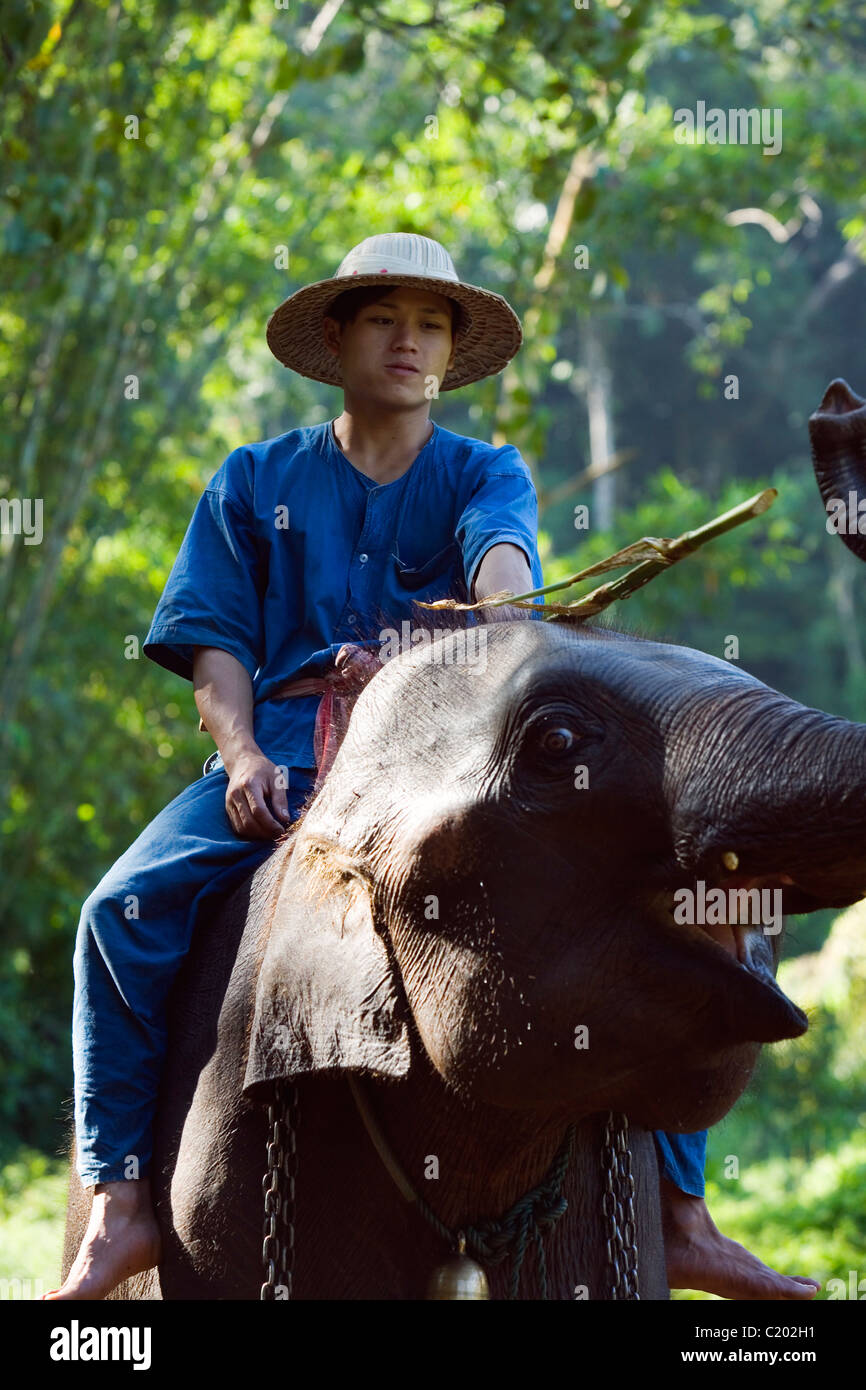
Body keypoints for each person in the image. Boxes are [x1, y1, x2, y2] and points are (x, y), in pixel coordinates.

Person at [47, 232, 818, 1301]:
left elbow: (500, 562)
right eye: (383, 318)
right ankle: (121, 1194)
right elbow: (212, 640)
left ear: (452, 353)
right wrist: (235, 757)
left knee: (670, 905)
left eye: (432, 324)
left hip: (444, 771)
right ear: (336, 334)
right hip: (284, 753)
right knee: (116, 912)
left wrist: (502, 625)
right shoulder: (253, 479)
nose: (408, 341)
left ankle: (679, 1210)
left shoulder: (480, 472)